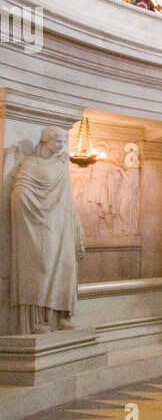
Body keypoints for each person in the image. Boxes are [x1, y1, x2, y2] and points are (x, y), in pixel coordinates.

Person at [9, 126, 85, 333]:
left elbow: (68, 200)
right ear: (45, 141)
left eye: (63, 142)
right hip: (35, 223)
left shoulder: (60, 167)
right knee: (40, 265)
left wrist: (75, 225)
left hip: (61, 225)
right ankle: (37, 319)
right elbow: (19, 192)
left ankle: (60, 315)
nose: (61, 146)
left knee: (65, 266)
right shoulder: (29, 164)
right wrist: (33, 208)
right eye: (58, 141)